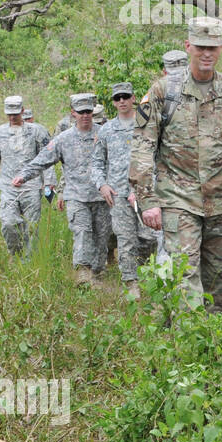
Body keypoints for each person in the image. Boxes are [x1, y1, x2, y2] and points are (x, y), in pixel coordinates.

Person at [130, 16, 222, 312]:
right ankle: (189, 348)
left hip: (220, 201)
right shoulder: (164, 92)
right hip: (178, 200)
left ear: (220, 49)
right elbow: (142, 147)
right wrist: (147, 199)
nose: (207, 53)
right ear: (188, 46)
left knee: (215, 280)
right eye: (201, 46)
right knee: (185, 276)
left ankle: (213, 345)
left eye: (213, 47)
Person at [14, 93, 111, 286]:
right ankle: (83, 273)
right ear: (73, 113)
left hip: (102, 196)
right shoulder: (63, 139)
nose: (85, 115)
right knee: (82, 232)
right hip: (76, 196)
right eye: (81, 112)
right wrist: (23, 175)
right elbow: (42, 159)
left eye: (88, 111)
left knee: (102, 237)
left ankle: (97, 273)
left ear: (93, 112)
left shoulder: (105, 134)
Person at [93, 82, 157, 300]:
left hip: (145, 193)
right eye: (117, 98)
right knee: (126, 239)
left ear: (133, 98)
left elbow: (158, 159)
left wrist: (147, 188)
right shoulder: (107, 130)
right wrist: (102, 184)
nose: (121, 101)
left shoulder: (146, 125)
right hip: (118, 195)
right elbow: (96, 162)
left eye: (125, 97)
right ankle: (131, 283)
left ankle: (147, 274)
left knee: (148, 238)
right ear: (113, 102)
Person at [0, 95, 50, 255]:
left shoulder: (37, 131)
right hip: (8, 187)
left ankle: (29, 261)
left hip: (32, 187)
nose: (13, 117)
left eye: (15, 113)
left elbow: (47, 158)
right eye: (9, 114)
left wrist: (48, 182)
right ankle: (15, 254)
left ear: (22, 110)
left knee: (32, 227)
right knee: (8, 223)